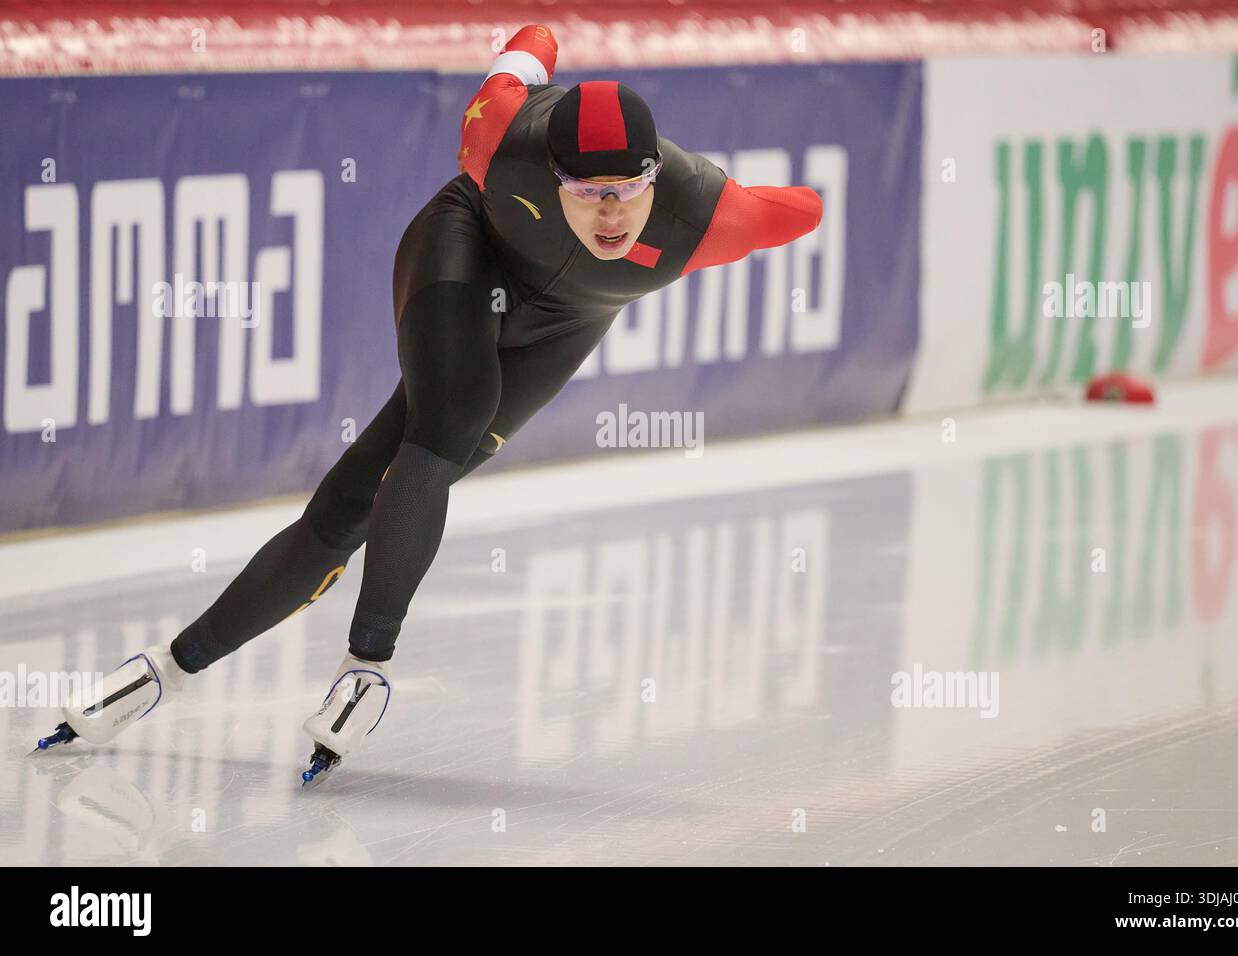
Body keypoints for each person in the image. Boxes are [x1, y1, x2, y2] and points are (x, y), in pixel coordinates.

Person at [35, 24, 824, 784]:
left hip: (567, 324)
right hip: (464, 246)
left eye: (627, 190)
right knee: (447, 424)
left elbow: (807, 208)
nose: (610, 214)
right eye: (586, 192)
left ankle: (168, 670)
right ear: (552, 175)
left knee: (354, 505)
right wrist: (541, 38)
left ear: (656, 175)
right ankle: (360, 666)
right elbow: (521, 54)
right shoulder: (499, 141)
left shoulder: (716, 216)